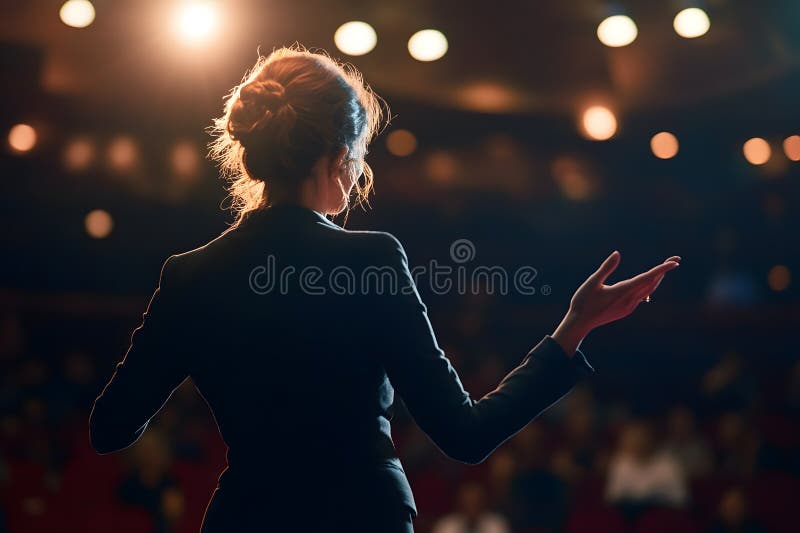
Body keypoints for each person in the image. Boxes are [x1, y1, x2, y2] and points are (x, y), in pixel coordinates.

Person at [89, 45, 680, 532]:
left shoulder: (190, 275)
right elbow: (465, 435)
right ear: (338, 154)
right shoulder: (372, 258)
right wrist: (574, 326)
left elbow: (111, 428)